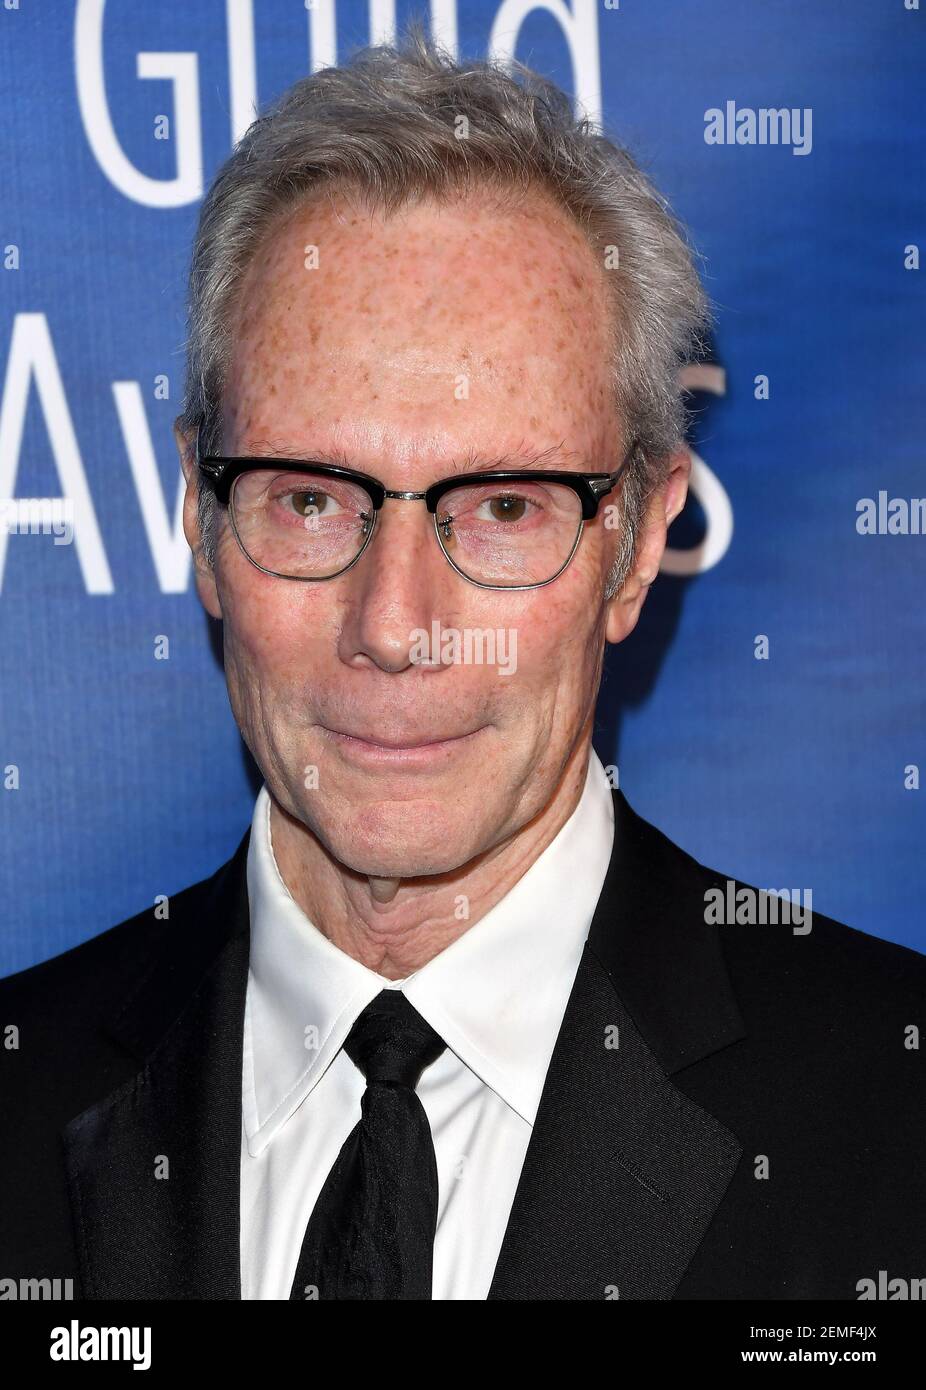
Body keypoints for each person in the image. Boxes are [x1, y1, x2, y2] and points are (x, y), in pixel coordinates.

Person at [1, 23, 923, 1302]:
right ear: (199, 518)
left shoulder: (894, 1118)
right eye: (312, 499)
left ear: (638, 539)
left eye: (502, 508)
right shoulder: (18, 1093)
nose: (396, 624)